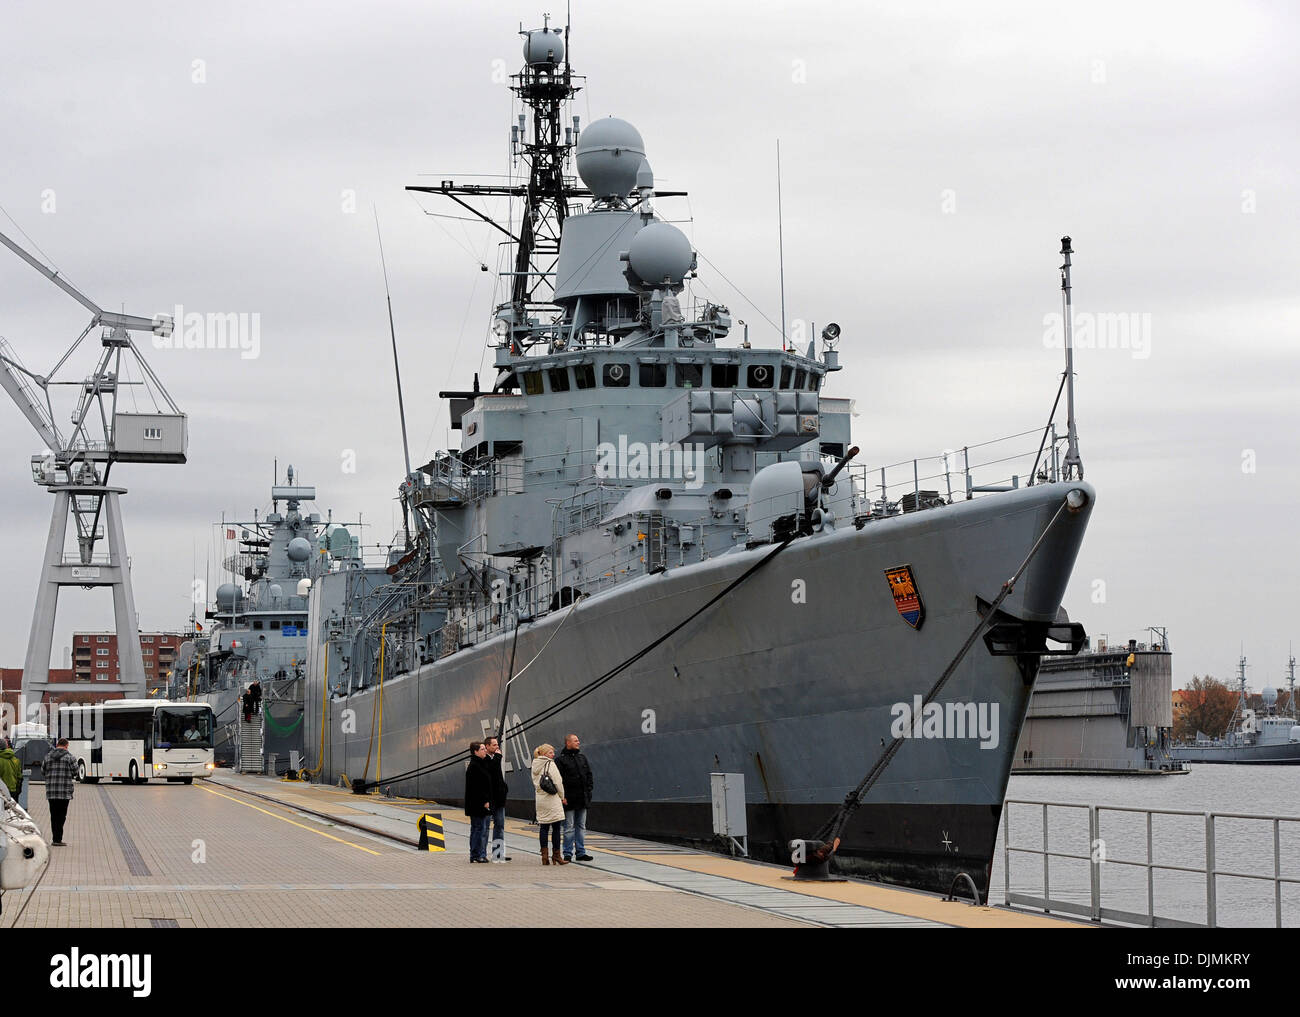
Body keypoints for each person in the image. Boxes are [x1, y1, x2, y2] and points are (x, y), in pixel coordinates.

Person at [554, 733, 594, 862]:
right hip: (569, 799)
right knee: (569, 827)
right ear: (568, 743)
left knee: (581, 826)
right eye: (576, 741)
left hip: (582, 798)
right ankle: (567, 852)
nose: (578, 742)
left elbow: (589, 775)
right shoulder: (560, 760)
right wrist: (562, 796)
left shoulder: (582, 758)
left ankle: (581, 852)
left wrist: (589, 791)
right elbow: (558, 780)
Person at [530, 744, 567, 865]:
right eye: (551, 753)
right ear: (545, 754)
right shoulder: (550, 764)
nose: (553, 755)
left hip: (540, 799)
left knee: (544, 828)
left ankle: (544, 856)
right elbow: (558, 782)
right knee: (556, 828)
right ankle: (556, 855)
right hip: (551, 798)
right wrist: (562, 796)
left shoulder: (535, 764)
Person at [43, 737, 78, 847]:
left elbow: (42, 771)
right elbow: (76, 771)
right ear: (66, 746)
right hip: (64, 792)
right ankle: (58, 839)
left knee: (53, 815)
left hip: (51, 791)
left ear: (57, 744)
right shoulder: (70, 757)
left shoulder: (48, 757)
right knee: (62, 816)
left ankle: (55, 839)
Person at [483, 735, 511, 862]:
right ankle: (481, 854)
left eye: (497, 745)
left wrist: (504, 789)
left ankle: (498, 853)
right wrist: (499, 757)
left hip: (499, 799)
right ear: (487, 746)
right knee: (485, 826)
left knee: (500, 825)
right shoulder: (485, 759)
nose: (497, 747)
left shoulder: (495, 758)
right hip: (489, 799)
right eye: (494, 745)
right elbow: (492, 770)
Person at [463, 741, 492, 862]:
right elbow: (476, 787)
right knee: (479, 829)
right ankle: (477, 854)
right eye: (482, 749)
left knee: (478, 829)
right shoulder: (475, 766)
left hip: (477, 803)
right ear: (475, 752)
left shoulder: (481, 763)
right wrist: (484, 801)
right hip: (478, 804)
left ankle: (476, 854)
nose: (485, 751)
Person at [0, 738, 22, 810]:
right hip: (14, 791)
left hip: (2, 793)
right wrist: (18, 790)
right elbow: (19, 776)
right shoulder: (15, 759)